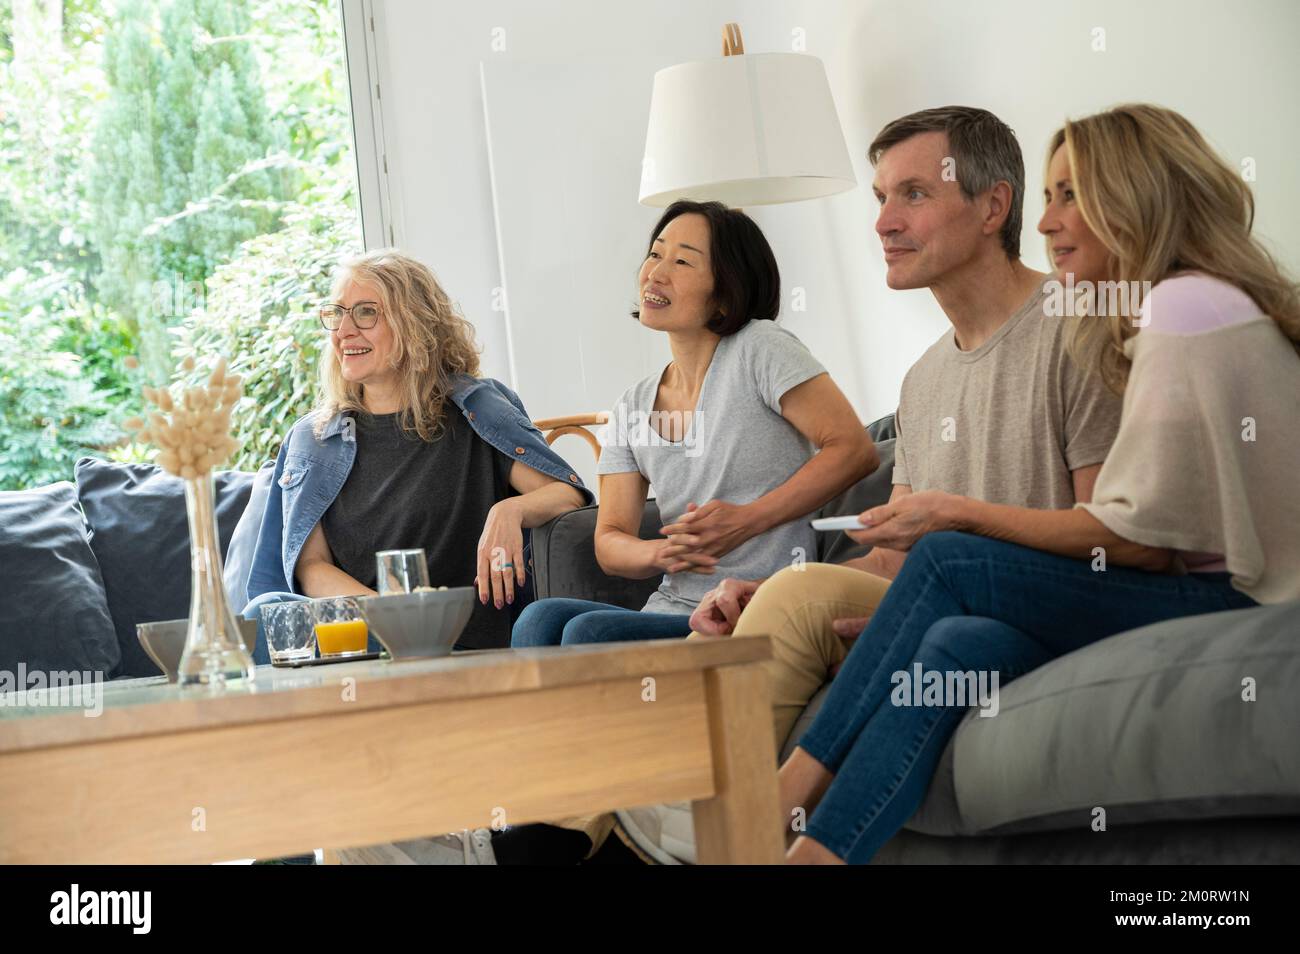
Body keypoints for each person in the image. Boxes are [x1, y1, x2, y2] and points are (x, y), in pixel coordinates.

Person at [779, 103, 1300, 864]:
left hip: (1238, 602)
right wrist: (905, 621)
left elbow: (1138, 540)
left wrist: (960, 517)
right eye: (1048, 197)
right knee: (959, 641)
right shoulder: (1169, 308)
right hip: (1205, 594)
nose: (1047, 222)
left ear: (1138, 196)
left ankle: (779, 799)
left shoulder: (1182, 308)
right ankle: (812, 856)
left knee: (949, 557)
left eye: (1069, 196)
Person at [684, 106, 1121, 750]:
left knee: (797, 602)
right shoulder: (922, 380)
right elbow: (894, 554)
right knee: (714, 633)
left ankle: (697, 838)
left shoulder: (1080, 327)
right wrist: (770, 589)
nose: (884, 222)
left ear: (993, 206)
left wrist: (816, 595)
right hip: (936, 595)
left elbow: (1110, 540)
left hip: (1030, 610)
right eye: (883, 197)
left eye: (914, 195)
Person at [510, 200, 876, 649]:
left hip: (751, 609)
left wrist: (747, 521)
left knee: (590, 634)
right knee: (539, 619)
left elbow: (853, 449)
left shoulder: (759, 349)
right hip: (674, 608)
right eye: (655, 253)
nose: (656, 272)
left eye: (682, 261)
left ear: (725, 291)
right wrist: (661, 552)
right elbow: (609, 541)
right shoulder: (634, 405)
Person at [240, 249, 592, 657]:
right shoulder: (314, 437)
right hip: (362, 632)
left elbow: (568, 493)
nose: (344, 331)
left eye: (366, 312)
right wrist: (389, 613)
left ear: (415, 324)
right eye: (337, 314)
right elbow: (311, 566)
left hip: (455, 636)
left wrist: (508, 511)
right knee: (263, 614)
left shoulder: (476, 410)